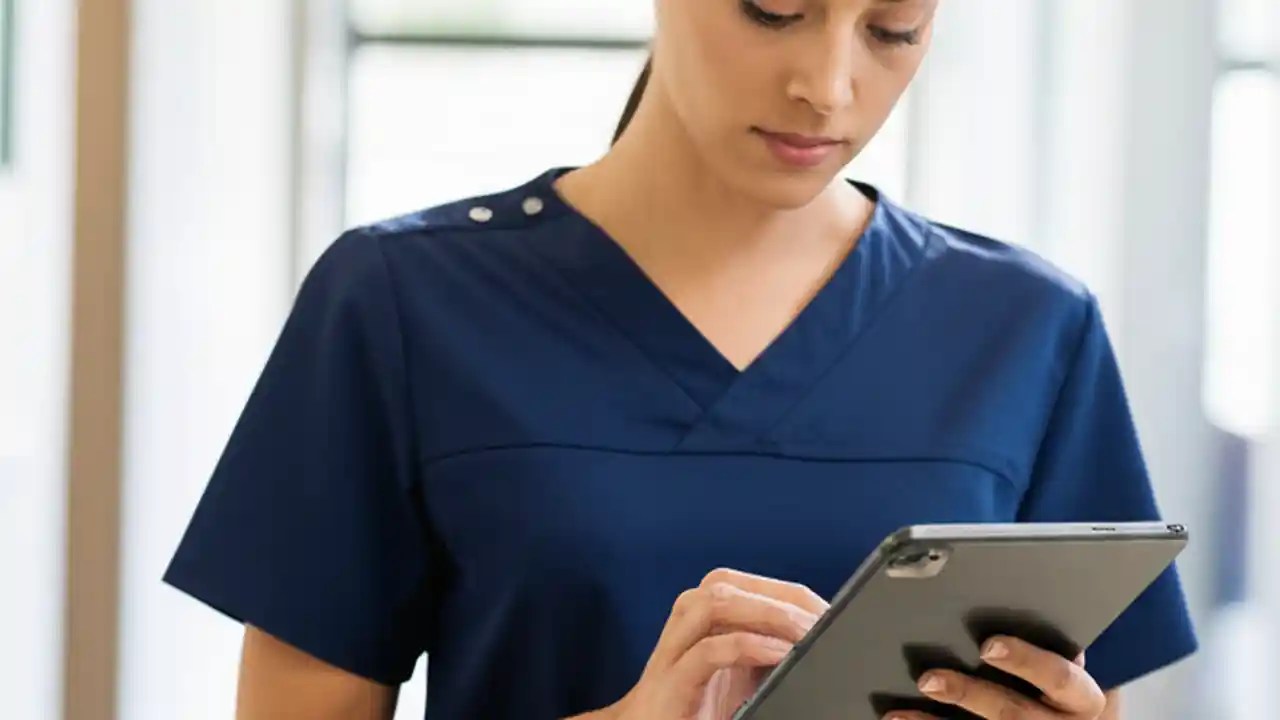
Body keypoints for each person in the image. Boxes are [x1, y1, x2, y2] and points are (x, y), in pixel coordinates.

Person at [163, 1, 1198, 718]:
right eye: (769, 11)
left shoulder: (1028, 328)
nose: (826, 86)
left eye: (892, 30)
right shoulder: (400, 305)